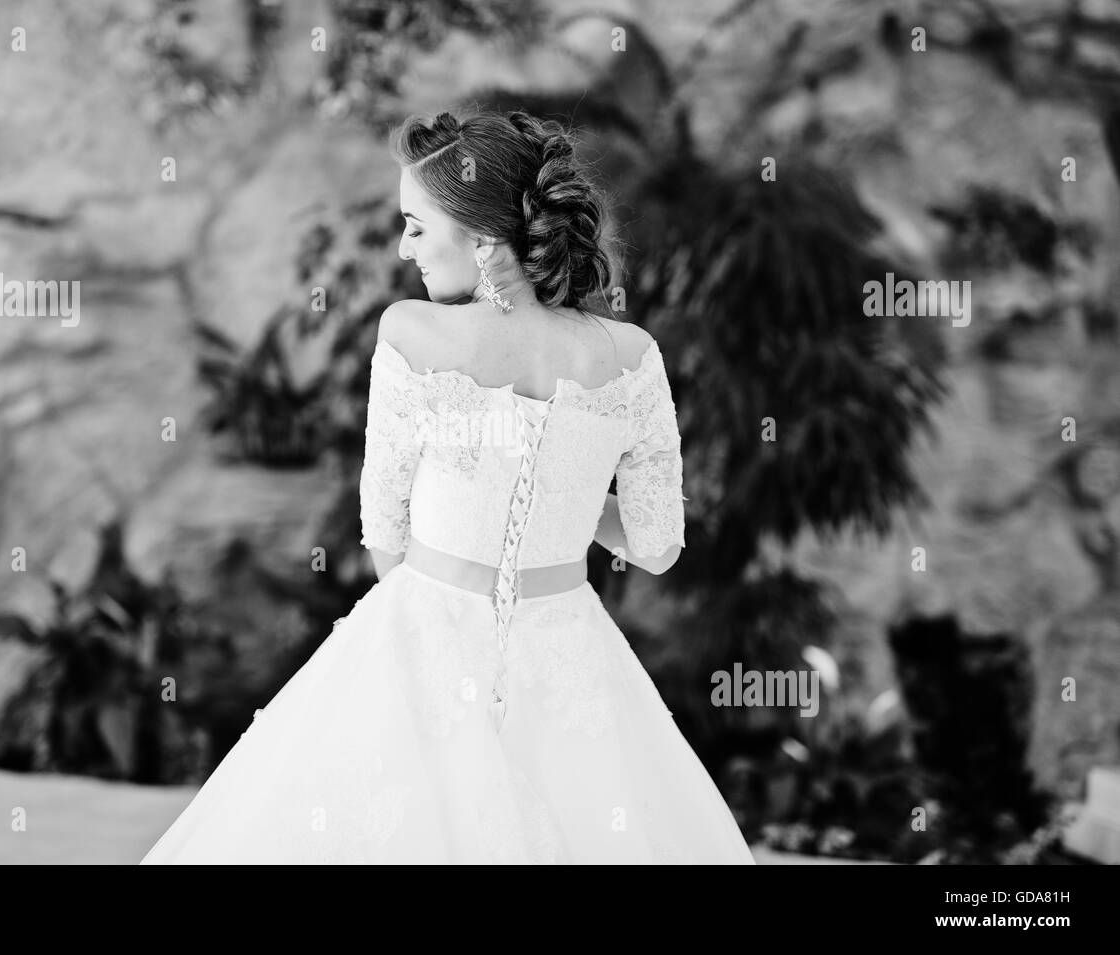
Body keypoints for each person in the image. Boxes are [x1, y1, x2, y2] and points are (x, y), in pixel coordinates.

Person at [140, 108, 755, 864]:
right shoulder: (631, 356)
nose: (404, 247)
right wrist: (567, 490)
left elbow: (386, 535)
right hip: (569, 653)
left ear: (484, 237)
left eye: (417, 227)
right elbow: (657, 547)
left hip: (424, 637)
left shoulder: (411, 334)